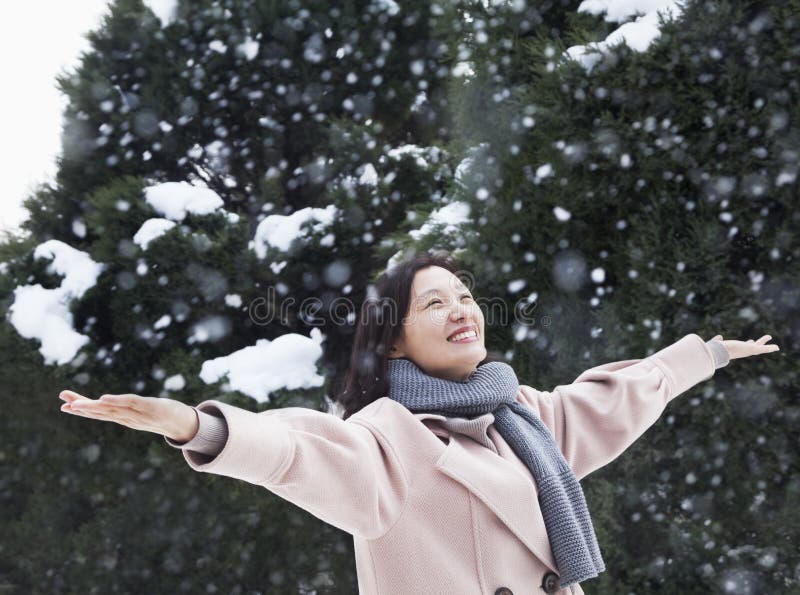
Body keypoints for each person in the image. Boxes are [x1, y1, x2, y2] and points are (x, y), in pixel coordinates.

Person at [59, 252, 780, 595]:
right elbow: (297, 450)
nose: (462, 308)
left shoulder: (523, 416)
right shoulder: (385, 439)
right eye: (435, 303)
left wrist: (705, 355)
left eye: (465, 296)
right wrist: (198, 426)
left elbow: (617, 396)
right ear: (395, 340)